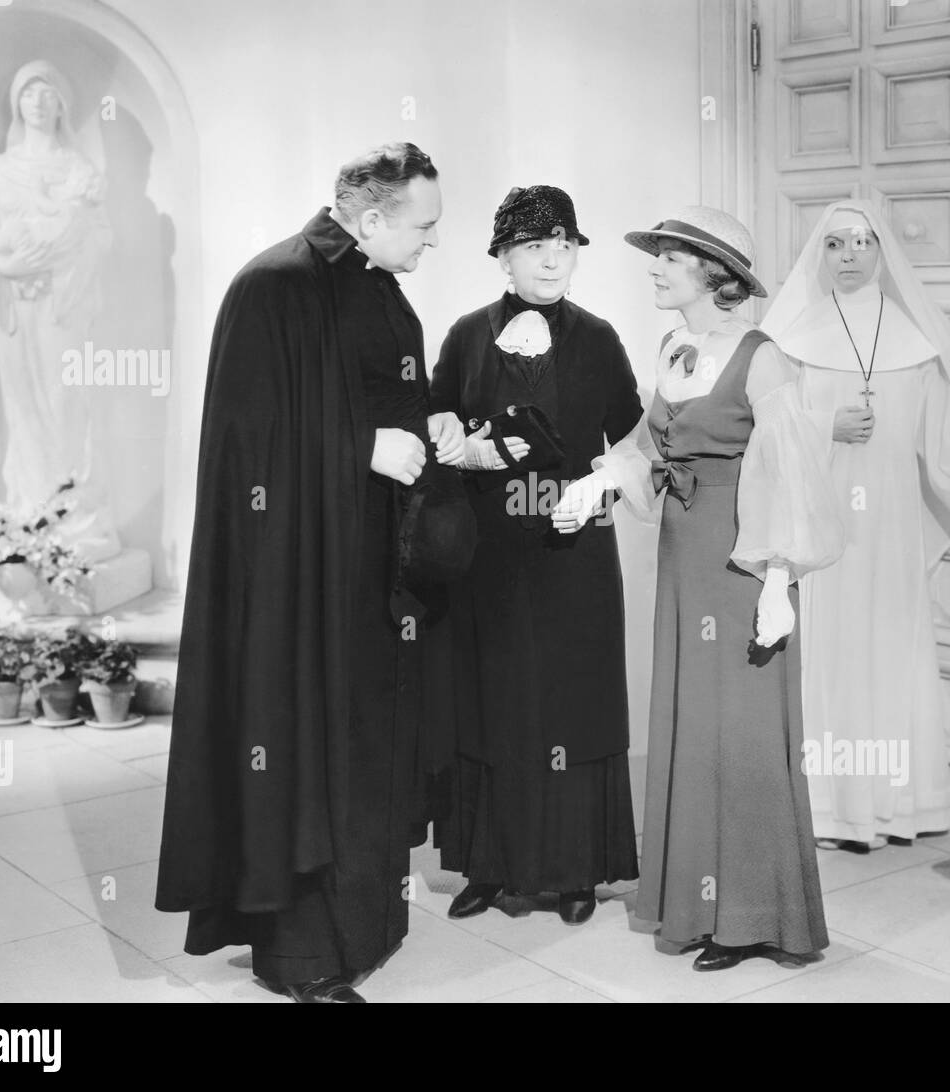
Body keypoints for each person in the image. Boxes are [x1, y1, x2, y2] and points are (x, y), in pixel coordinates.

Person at [155, 142, 466, 1004]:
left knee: (365, 745)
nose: (433, 240)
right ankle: (304, 956)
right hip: (297, 581)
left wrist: (428, 427)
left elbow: (375, 392)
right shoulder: (275, 286)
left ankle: (366, 926)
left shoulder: (370, 283)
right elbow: (248, 443)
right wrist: (366, 448)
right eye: (425, 223)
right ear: (371, 218)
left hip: (368, 569)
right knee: (304, 747)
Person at [554, 207, 844, 970]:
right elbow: (649, 442)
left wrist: (779, 583)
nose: (654, 268)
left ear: (714, 274)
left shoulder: (765, 359)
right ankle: (694, 904)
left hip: (743, 556)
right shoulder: (678, 348)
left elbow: (790, 476)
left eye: (669, 259)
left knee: (742, 732)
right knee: (692, 722)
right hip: (685, 554)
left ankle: (752, 919)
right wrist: (599, 484)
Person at [758, 199, 950, 852]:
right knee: (829, 657)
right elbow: (760, 429)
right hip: (819, 519)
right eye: (835, 244)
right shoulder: (790, 341)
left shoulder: (910, 340)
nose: (848, 256)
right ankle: (828, 810)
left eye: (861, 243)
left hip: (889, 527)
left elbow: (949, 441)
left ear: (882, 253)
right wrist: (824, 426)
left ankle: (894, 807)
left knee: (889, 653)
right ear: (820, 254)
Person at [429, 185, 643, 925]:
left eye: (565, 245)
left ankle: (576, 870)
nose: (553, 260)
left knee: (573, 700)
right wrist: (464, 448)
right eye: (533, 247)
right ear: (502, 257)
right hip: (490, 555)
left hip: (577, 550)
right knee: (492, 699)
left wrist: (601, 484)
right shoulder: (463, 336)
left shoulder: (600, 337)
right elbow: (438, 424)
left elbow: (639, 442)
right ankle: (489, 865)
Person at [0, 60, 119, 560]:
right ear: (17, 104)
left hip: (62, 309)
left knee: (66, 403)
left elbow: (101, 242)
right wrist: (8, 264)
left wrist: (63, 256)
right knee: (24, 410)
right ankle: (30, 511)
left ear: (61, 104)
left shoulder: (80, 173)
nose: (37, 101)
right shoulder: (0, 170)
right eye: (28, 92)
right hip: (15, 311)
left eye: (46, 91)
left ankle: (71, 513)